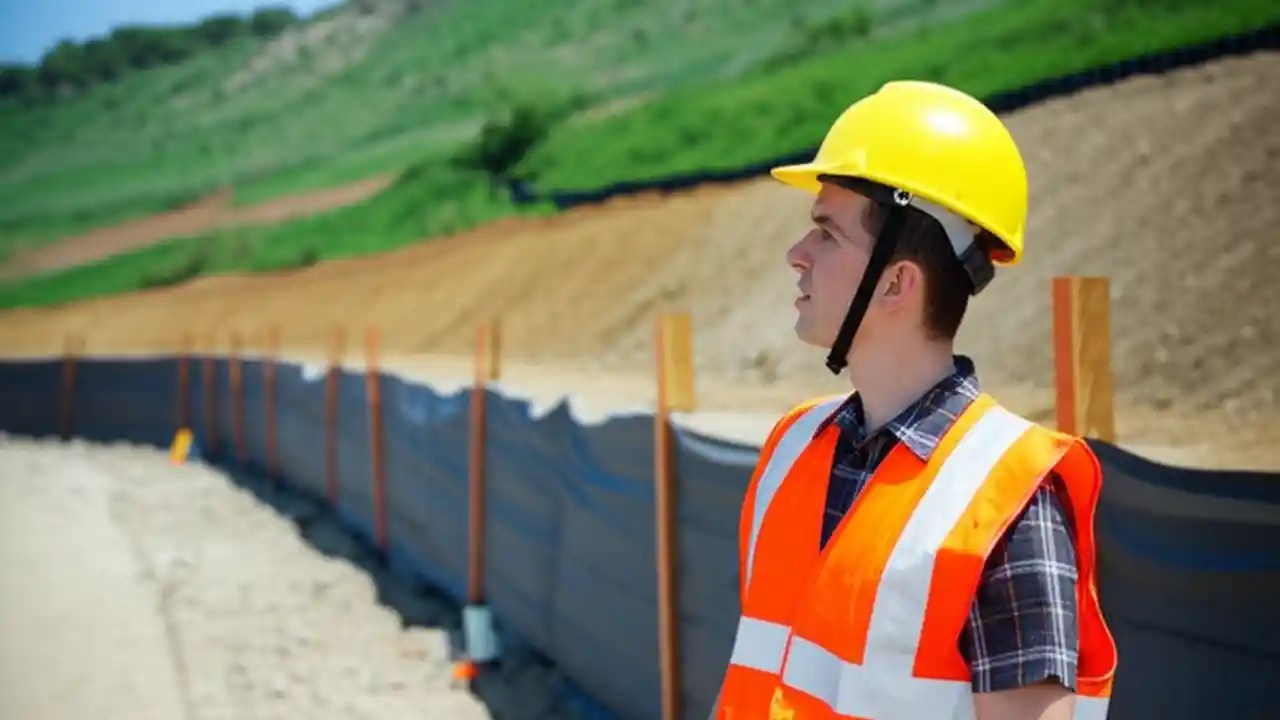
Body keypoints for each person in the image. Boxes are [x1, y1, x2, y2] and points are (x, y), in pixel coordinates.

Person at [711, 80, 1118, 720]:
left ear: (897, 282)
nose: (797, 255)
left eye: (827, 233)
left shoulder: (1005, 497)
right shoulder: (795, 447)